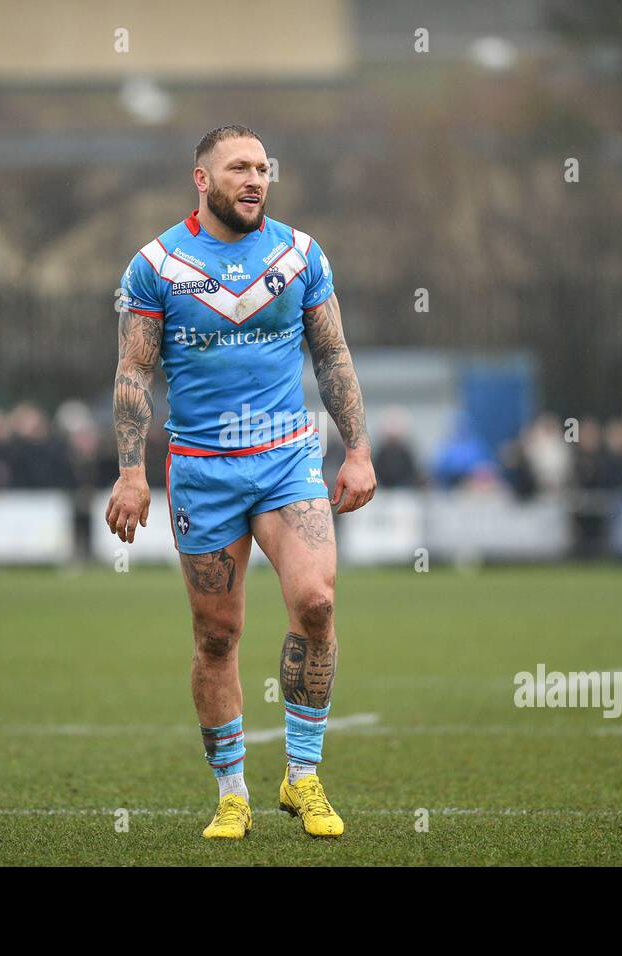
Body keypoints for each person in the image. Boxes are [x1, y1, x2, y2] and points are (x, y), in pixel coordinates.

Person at [105, 125, 376, 840]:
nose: (255, 180)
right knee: (217, 636)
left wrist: (357, 450)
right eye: (238, 169)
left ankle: (303, 777)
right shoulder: (157, 265)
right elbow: (134, 372)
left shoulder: (299, 254)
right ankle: (232, 794)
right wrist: (131, 472)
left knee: (316, 603)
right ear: (202, 179)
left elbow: (333, 354)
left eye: (262, 168)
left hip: (287, 460)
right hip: (202, 471)